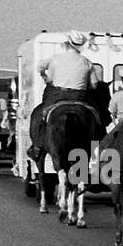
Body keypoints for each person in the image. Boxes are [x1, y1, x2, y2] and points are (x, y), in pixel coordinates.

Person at [27, 30, 100, 167]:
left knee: (42, 115)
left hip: (57, 95)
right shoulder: (87, 62)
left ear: (67, 43)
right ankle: (96, 146)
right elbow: (95, 84)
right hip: (80, 97)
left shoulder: (55, 58)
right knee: (96, 118)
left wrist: (45, 76)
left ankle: (37, 147)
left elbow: (39, 66)